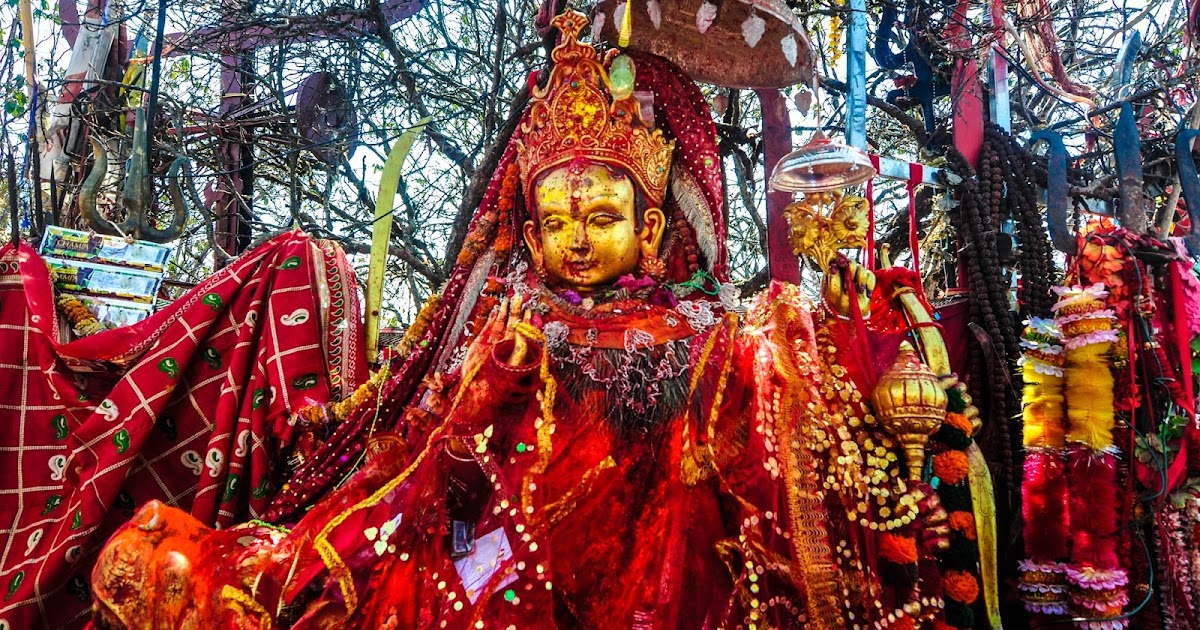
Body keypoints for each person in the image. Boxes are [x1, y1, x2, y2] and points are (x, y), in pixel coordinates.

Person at [90, 11, 960, 629]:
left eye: (604, 217)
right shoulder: (513, 329)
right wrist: (494, 389)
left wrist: (831, 330)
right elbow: (440, 479)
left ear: (652, 228)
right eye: (557, 222)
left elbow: (758, 444)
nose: (578, 240)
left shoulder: (705, 334)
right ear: (531, 237)